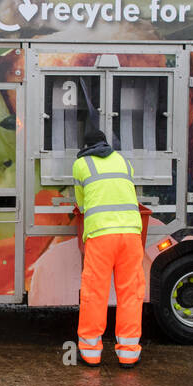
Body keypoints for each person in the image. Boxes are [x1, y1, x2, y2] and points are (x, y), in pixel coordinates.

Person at [72, 125, 145, 367]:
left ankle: (91, 354)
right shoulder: (123, 161)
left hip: (101, 235)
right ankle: (129, 354)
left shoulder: (81, 165)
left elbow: (81, 204)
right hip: (132, 235)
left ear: (86, 147)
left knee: (95, 293)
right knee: (131, 294)